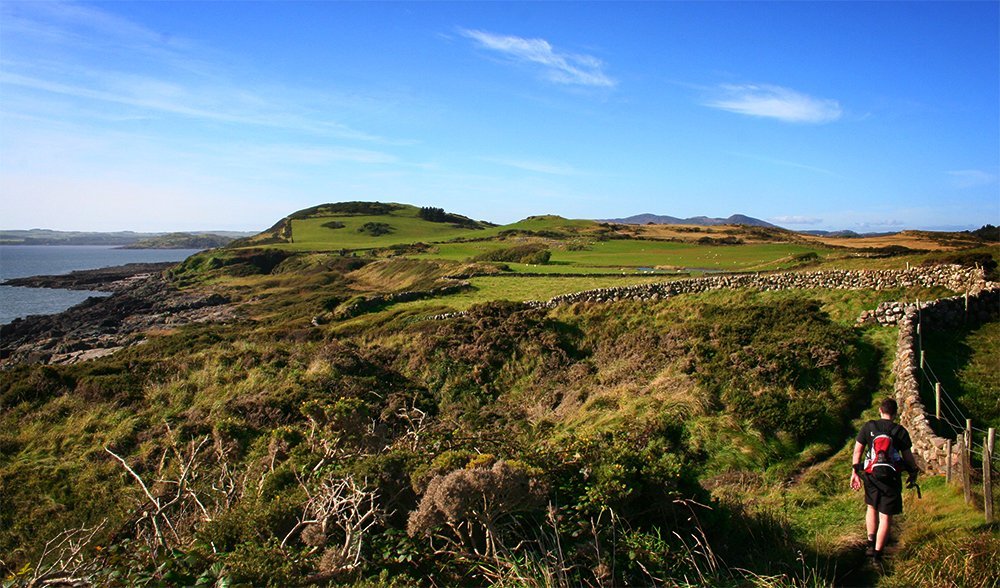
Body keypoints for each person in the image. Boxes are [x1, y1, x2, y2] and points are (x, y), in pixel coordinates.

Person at [850, 398, 919, 564]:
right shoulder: (900, 431)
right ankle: (877, 555)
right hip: (891, 478)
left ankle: (869, 543)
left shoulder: (869, 427)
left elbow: (857, 451)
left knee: (871, 507)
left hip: (871, 476)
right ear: (895, 414)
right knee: (886, 517)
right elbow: (908, 458)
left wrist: (854, 472)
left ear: (880, 410)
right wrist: (913, 472)